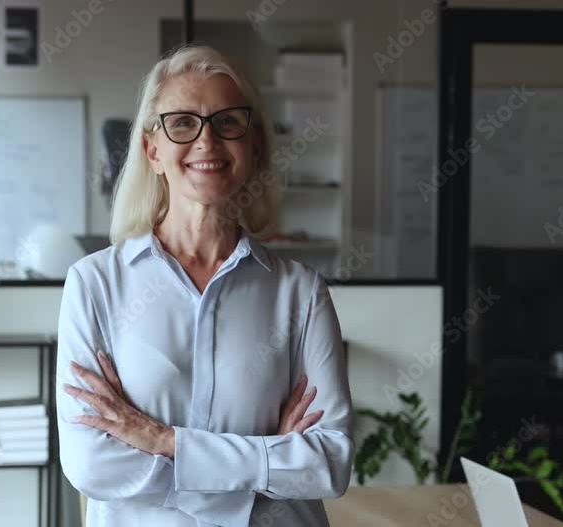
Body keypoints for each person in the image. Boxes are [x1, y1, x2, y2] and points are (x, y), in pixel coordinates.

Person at [56, 44, 353, 527]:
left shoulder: (301, 292)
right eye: (182, 123)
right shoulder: (94, 285)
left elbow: (329, 463)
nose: (206, 142)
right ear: (152, 150)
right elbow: (92, 465)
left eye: (227, 122)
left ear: (253, 147)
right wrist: (263, 465)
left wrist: (161, 439)